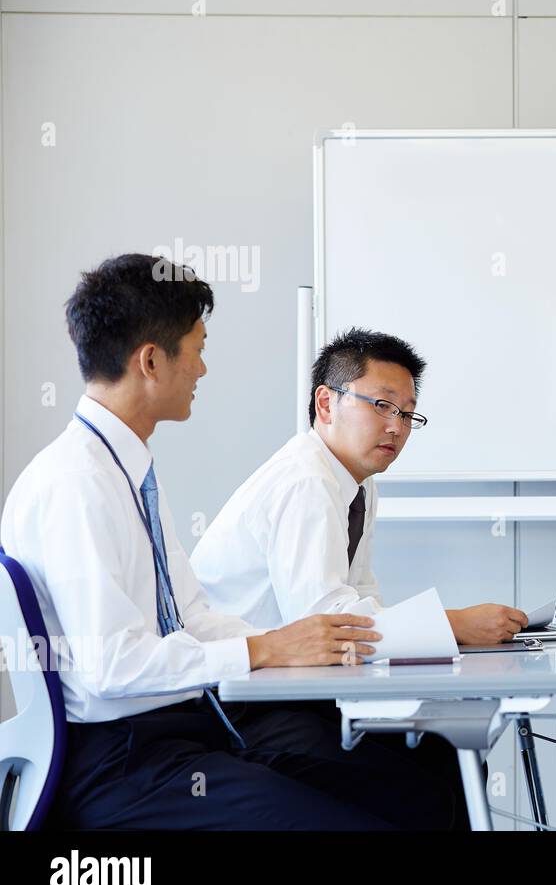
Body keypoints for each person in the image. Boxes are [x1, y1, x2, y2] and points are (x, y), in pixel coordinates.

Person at [0, 254, 460, 829]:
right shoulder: (76, 483)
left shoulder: (127, 471)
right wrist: (263, 649)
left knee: (415, 785)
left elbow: (193, 614)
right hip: (121, 764)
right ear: (151, 361)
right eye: (197, 349)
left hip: (180, 729)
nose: (202, 369)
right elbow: (110, 666)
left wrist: (283, 640)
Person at [191, 327, 527, 643]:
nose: (397, 427)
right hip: (236, 692)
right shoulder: (306, 481)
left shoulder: (358, 485)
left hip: (282, 679)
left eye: (407, 414)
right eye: (383, 406)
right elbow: (324, 623)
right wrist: (454, 625)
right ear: (326, 404)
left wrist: (441, 631)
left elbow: (363, 600)